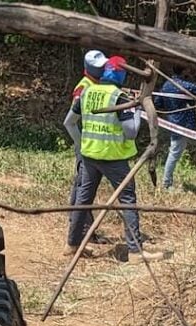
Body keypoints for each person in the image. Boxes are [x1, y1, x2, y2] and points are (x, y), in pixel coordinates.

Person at [64, 56, 166, 262]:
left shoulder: (87, 92)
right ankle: (135, 251)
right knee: (128, 201)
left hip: (89, 156)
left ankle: (72, 244)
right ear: (122, 75)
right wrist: (136, 109)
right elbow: (131, 133)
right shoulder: (119, 97)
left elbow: (69, 122)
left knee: (83, 200)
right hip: (114, 159)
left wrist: (80, 143)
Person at [64, 49, 112, 254]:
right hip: (86, 144)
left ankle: (82, 226)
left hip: (90, 144)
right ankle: (81, 229)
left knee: (82, 186)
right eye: (101, 67)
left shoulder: (95, 85)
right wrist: (81, 144)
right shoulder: (83, 88)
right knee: (83, 188)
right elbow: (70, 121)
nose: (104, 70)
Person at [158, 66, 196, 190]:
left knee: (175, 152)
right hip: (183, 125)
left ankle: (167, 181)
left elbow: (157, 102)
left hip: (173, 123)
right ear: (185, 71)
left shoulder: (166, 85)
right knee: (174, 154)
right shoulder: (184, 86)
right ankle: (166, 183)